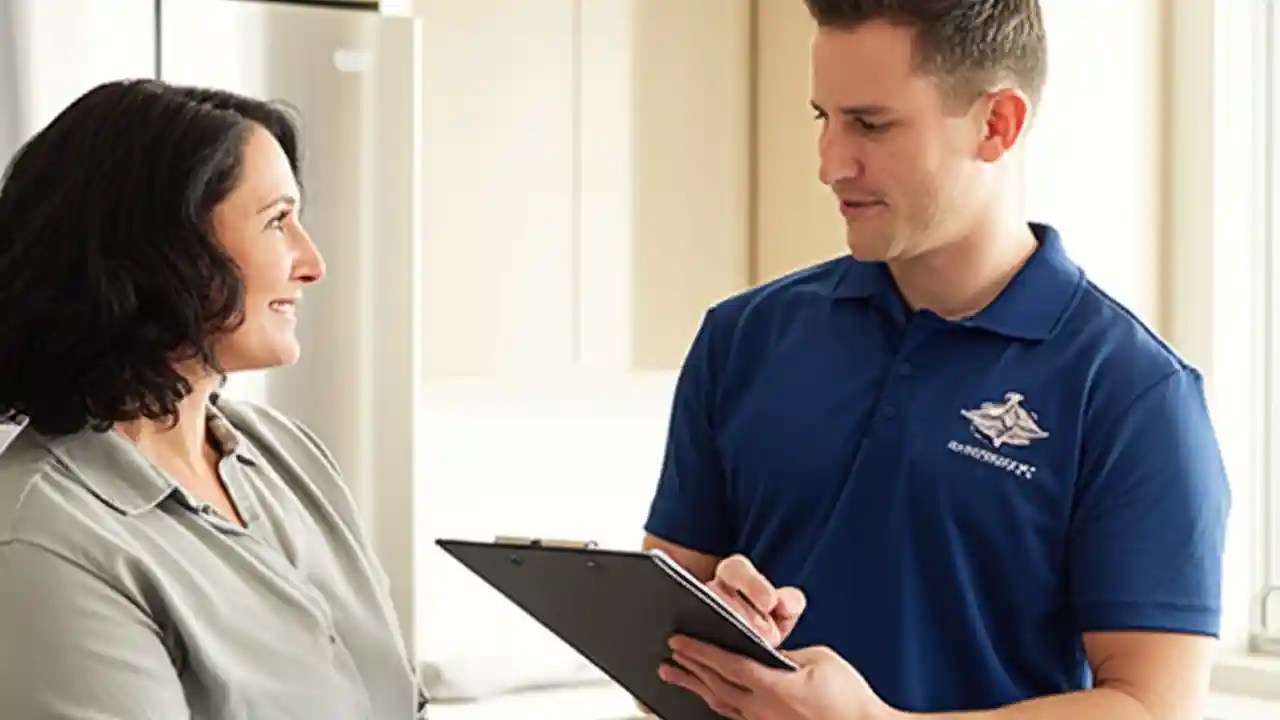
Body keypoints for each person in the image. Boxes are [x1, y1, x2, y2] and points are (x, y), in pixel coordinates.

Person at [642, 1, 1230, 718]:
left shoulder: (1133, 393)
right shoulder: (743, 337)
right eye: (822, 118)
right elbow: (655, 660)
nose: (830, 165)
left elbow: (1151, 706)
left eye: (872, 124)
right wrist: (719, 638)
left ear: (997, 125)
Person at [0, 80, 427, 718]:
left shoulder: (291, 456)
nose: (312, 263)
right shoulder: (46, 538)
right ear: (159, 251)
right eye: (278, 221)